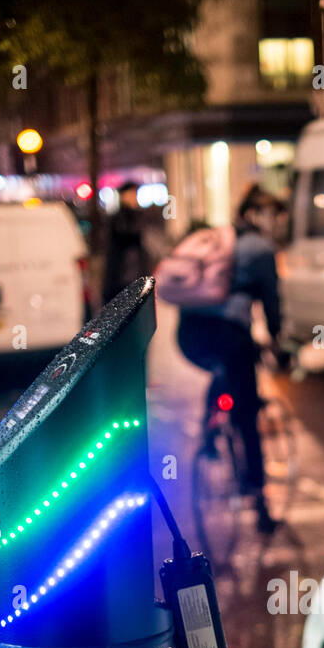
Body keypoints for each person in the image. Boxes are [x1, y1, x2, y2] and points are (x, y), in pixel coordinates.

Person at [177, 185, 288, 535]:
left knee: (222, 371)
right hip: (230, 336)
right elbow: (272, 304)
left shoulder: (213, 240)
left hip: (189, 335)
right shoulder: (260, 249)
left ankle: (210, 430)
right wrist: (278, 343)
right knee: (247, 416)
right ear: (260, 216)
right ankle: (260, 504)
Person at [102, 181, 151, 303]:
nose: (135, 198)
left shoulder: (140, 216)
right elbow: (126, 238)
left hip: (136, 270)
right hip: (123, 272)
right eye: (132, 194)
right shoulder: (119, 218)